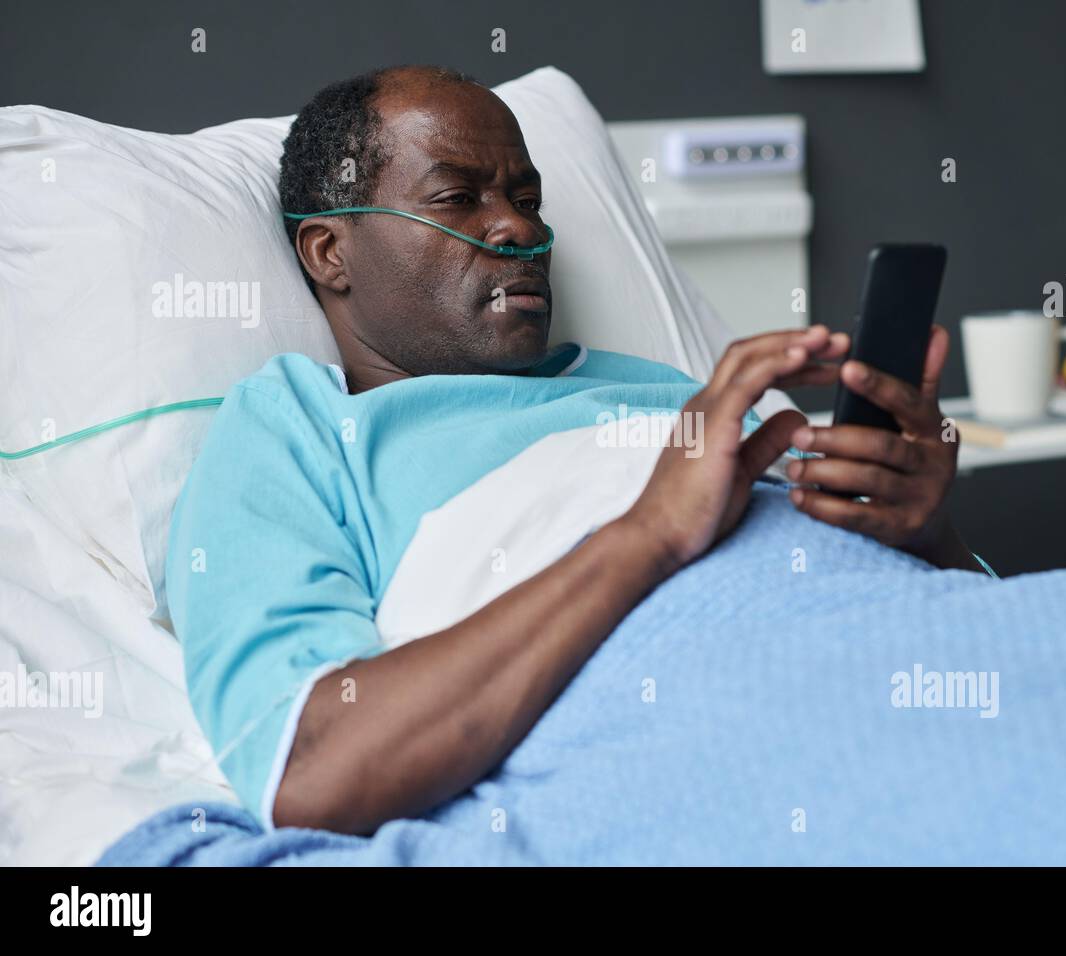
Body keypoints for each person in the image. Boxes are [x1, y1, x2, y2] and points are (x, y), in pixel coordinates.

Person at [168, 65, 981, 836]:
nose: (518, 225)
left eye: (527, 198)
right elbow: (310, 767)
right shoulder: (299, 428)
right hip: (753, 736)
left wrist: (925, 534)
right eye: (457, 197)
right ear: (328, 253)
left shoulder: (668, 388)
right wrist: (648, 536)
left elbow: (951, 613)